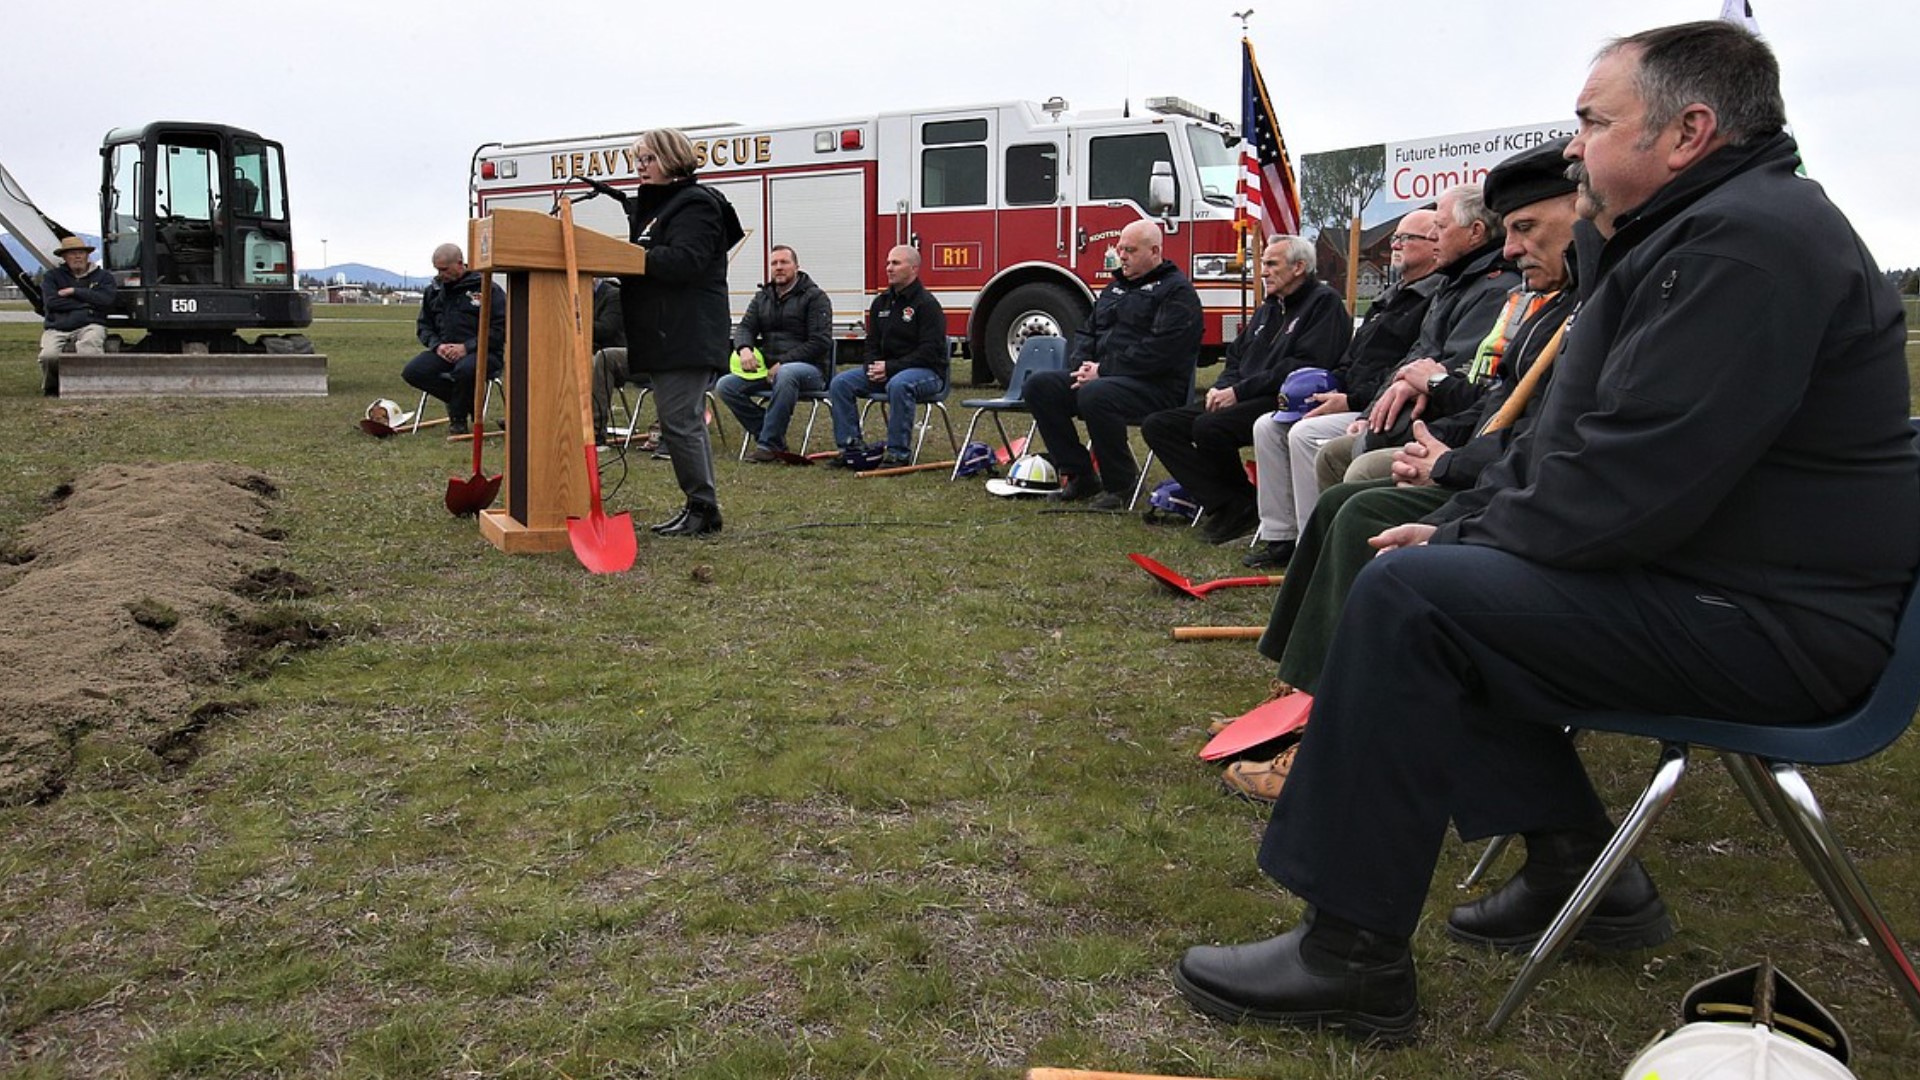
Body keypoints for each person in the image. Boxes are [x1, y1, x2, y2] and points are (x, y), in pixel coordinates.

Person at [1174, 21, 1919, 1041]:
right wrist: (1469, 523)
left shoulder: (1752, 245)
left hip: (1779, 624)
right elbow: (1573, 445)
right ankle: (1585, 874)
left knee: (1419, 601)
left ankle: (1349, 956)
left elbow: (1635, 477)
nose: (1574, 149)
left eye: (1593, 122)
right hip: (1722, 587)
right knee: (1440, 583)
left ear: (1688, 130)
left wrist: (1470, 539)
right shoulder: (1696, 236)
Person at [1220, 137, 1584, 803]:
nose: (1511, 249)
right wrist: (1442, 422)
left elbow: (1551, 445)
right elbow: (1493, 404)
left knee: (1359, 507)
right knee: (1336, 504)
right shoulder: (1544, 306)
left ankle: (1330, 733)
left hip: (1517, 506)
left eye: (1525, 229)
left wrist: (1449, 462)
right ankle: (1299, 693)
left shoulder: (1571, 309)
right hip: (1483, 471)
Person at [1243, 210, 1444, 568]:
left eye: (1405, 239)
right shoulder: (1392, 295)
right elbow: (1352, 357)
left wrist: (1351, 400)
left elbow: (1403, 370)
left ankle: (1311, 544)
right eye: (1395, 238)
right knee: (1267, 425)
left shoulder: (1433, 300)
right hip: (1351, 397)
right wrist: (1334, 386)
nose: (1395, 246)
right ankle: (1279, 536)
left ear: (1435, 247)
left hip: (1381, 408)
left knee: (1304, 433)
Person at [1141, 235, 1350, 545]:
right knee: (1159, 426)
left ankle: (1237, 506)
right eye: (1262, 264)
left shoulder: (1323, 304)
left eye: (1271, 264)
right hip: (1241, 394)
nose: (1263, 272)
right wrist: (1224, 387)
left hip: (1282, 400)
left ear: (1299, 268)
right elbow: (1237, 355)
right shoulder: (1269, 308)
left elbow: (1303, 365)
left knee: (1210, 428)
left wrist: (1239, 392)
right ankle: (1233, 501)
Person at [1307, 183, 1518, 486]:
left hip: (1444, 427)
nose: (1433, 237)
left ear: (1475, 231)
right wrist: (1373, 410)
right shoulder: (1453, 285)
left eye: (1440, 227)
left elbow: (1458, 372)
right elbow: (1415, 358)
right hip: (1407, 414)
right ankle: (1303, 532)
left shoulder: (1493, 289)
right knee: (1329, 454)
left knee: (1358, 468)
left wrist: (1422, 383)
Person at [616, 128, 745, 537]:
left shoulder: (697, 206)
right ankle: (700, 505)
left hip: (686, 331)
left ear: (672, 160)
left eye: (649, 159)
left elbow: (685, 260)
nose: (641, 167)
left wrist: (629, 257)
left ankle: (703, 509)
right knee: (680, 420)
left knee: (679, 423)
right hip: (665, 331)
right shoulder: (665, 206)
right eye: (638, 160)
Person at [1025, 220, 1204, 510]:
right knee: (1039, 386)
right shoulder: (1115, 288)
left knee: (1096, 394)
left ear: (1155, 251)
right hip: (1104, 378)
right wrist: (1083, 364)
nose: (1122, 256)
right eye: (1121, 249)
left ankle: (1122, 485)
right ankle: (1080, 475)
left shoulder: (1176, 293)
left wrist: (1103, 371)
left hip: (1157, 387)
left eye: (1131, 250)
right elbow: (1087, 331)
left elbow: (1161, 351)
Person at [826, 245, 946, 466]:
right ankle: (850, 448)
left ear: (913, 268)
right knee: (840, 383)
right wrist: (873, 366)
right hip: (887, 371)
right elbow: (871, 343)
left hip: (927, 372)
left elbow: (929, 351)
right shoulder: (881, 303)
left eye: (896, 263)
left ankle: (898, 453)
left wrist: (890, 368)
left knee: (899, 384)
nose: (889, 268)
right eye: (888, 263)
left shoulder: (927, 304)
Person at [717, 245, 834, 460]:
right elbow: (745, 328)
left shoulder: (815, 297)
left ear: (797, 267)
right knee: (725, 385)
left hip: (811, 371)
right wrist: (744, 349)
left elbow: (820, 342)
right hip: (769, 370)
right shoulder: (763, 297)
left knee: (787, 373)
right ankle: (771, 432)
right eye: (774, 263)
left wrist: (783, 362)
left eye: (784, 262)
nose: (779, 268)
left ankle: (769, 445)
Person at [401, 243, 505, 436]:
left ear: (459, 264)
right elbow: (424, 326)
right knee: (413, 371)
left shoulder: (486, 287)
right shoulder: (433, 291)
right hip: (445, 352)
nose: (441, 274)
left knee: (464, 370)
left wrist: (467, 347)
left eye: (444, 269)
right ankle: (468, 403)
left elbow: (501, 328)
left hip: (484, 353)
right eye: (437, 270)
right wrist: (437, 346)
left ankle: (458, 419)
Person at [37, 235, 117, 396]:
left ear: (88, 255)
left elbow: (107, 300)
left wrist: (75, 291)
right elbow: (52, 303)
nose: (77, 257)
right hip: (57, 326)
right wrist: (88, 303)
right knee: (48, 356)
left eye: (81, 253)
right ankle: (52, 388)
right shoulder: (52, 277)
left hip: (91, 325)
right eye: (72, 253)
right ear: (64, 257)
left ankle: (91, 388)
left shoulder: (103, 277)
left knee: (89, 346)